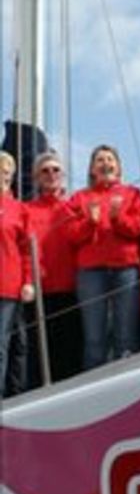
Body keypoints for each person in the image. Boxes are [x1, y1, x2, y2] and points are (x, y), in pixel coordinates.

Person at [65, 144, 140, 370]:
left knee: (126, 333)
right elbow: (71, 234)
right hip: (91, 271)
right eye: (100, 160)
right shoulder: (79, 198)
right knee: (94, 338)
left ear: (118, 167)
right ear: (92, 168)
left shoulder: (132, 194)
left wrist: (118, 219)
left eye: (110, 159)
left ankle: (129, 386)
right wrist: (90, 222)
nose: (105, 164)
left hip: (125, 268)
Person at [25, 151, 83, 384]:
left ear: (63, 175)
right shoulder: (27, 210)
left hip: (72, 289)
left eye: (55, 170)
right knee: (39, 356)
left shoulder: (73, 207)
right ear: (36, 178)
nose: (51, 175)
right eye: (45, 171)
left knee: (71, 353)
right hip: (40, 292)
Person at [0, 151, 33, 397]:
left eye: (7, 172)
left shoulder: (19, 209)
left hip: (8, 286)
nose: (3, 176)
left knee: (4, 345)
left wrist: (29, 282)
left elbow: (27, 250)